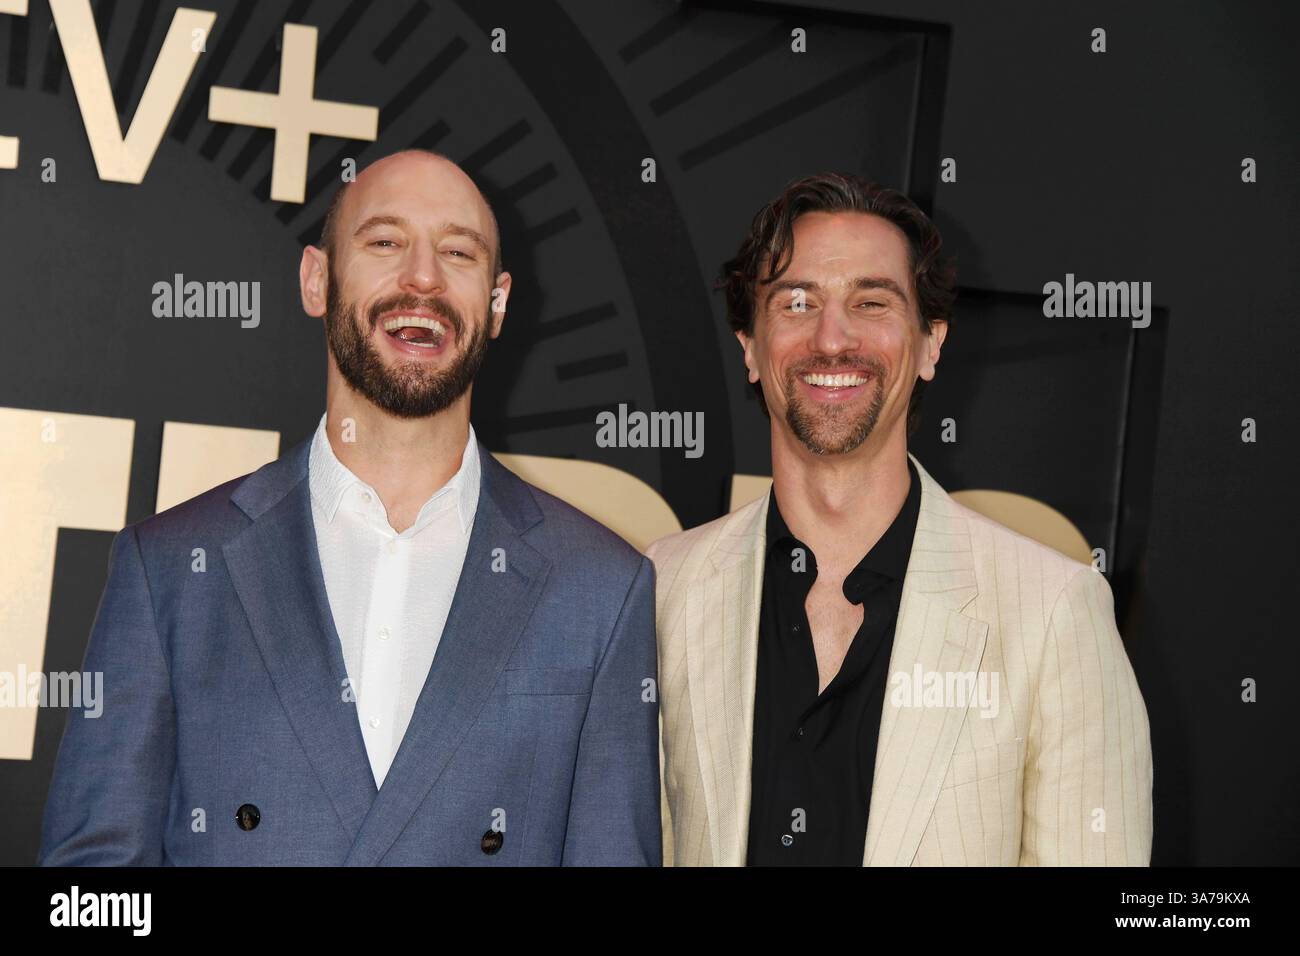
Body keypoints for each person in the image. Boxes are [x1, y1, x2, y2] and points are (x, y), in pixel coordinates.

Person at [39, 150, 660, 866]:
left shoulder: (600, 591)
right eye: (385, 242)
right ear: (316, 279)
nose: (422, 278)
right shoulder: (172, 568)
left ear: (496, 304)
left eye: (458, 252)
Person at [647, 172, 1152, 866]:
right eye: (798, 301)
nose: (833, 339)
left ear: (930, 344)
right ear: (750, 348)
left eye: (872, 301)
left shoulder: (1053, 613)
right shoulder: (659, 591)